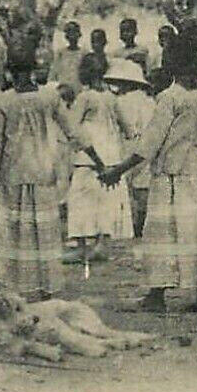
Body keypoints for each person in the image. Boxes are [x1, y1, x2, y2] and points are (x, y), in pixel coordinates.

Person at [101, 30, 197, 314]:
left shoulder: (169, 97)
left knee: (163, 234)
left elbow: (150, 141)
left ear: (173, 60)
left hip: (172, 178)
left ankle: (157, 293)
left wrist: (119, 170)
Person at [0, 41, 93, 299]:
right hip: (43, 175)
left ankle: (17, 290)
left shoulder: (3, 102)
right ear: (34, 69)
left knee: (16, 233)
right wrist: (100, 161)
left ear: (7, 71)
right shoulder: (49, 98)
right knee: (43, 232)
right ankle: (46, 289)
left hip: (14, 176)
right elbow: (74, 131)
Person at [63, 52, 134, 265]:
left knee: (80, 200)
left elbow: (72, 127)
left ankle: (83, 247)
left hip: (89, 156)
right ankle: (102, 243)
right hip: (111, 155)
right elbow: (128, 128)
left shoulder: (84, 97)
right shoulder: (112, 97)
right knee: (105, 202)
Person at [106, 59, 154, 237]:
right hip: (145, 145)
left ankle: (134, 225)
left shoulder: (122, 101)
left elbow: (127, 127)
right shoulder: (148, 100)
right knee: (142, 186)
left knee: (131, 186)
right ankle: (141, 225)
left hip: (131, 144)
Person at [48, 21, 85, 91]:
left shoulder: (83, 53)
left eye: (74, 32)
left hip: (78, 89)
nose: (72, 35)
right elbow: (53, 72)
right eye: (69, 32)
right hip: (63, 89)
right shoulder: (60, 53)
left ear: (79, 34)